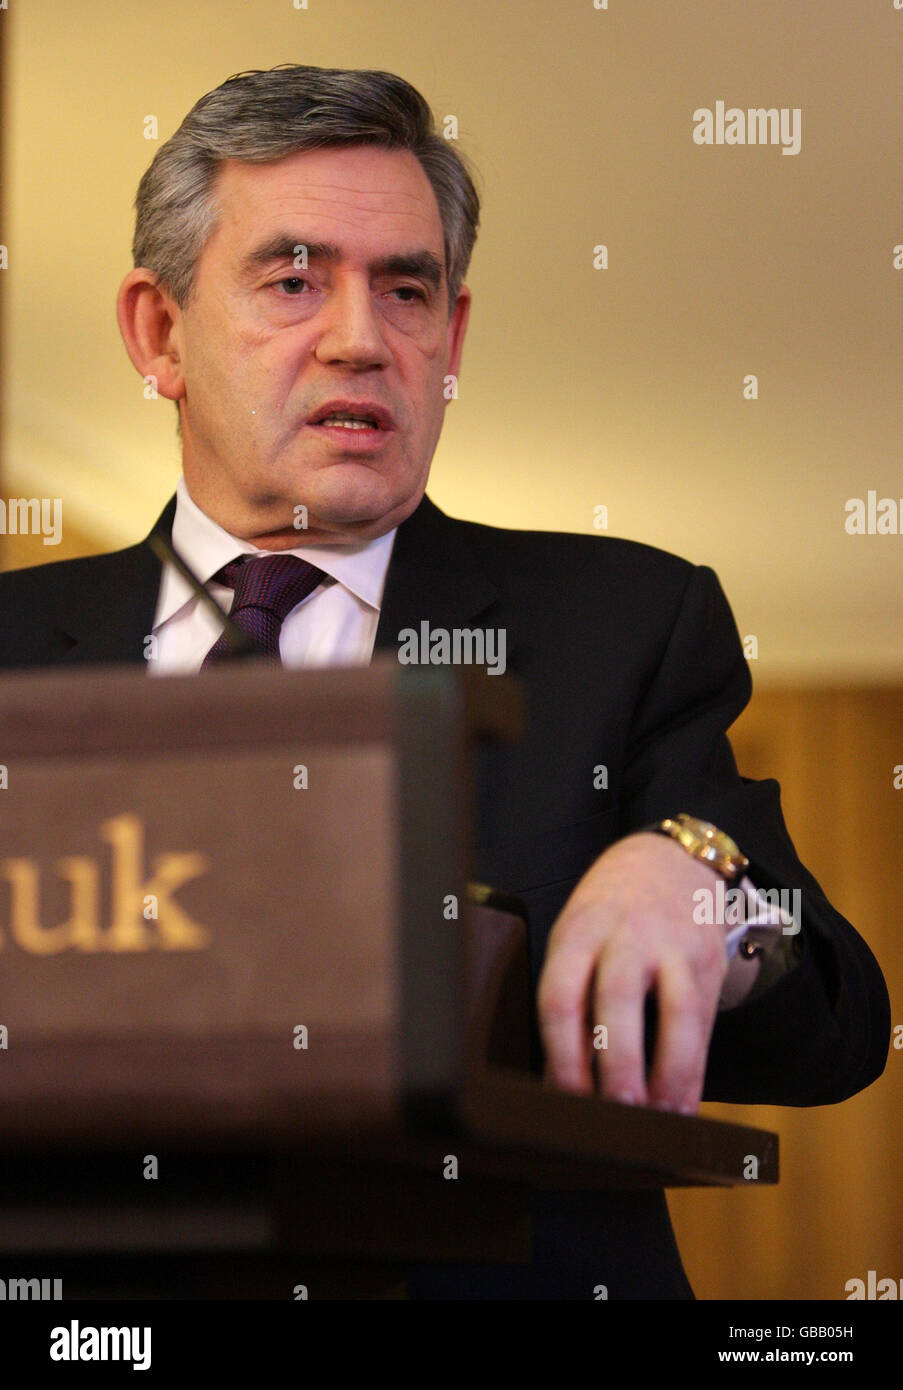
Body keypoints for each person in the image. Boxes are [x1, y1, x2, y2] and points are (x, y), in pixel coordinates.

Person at [0, 65, 889, 1299]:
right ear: (160, 334)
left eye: (405, 289)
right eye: (294, 278)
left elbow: (834, 1020)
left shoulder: (623, 624)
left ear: (451, 336)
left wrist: (707, 887)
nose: (362, 337)